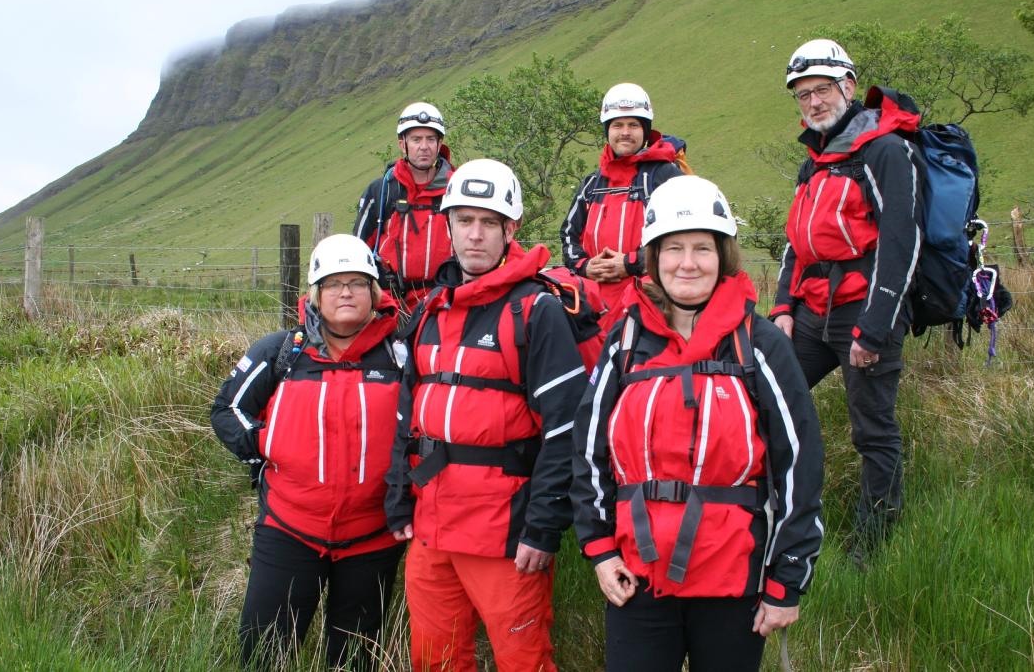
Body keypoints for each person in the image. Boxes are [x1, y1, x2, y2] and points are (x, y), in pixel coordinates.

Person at [571, 174, 824, 671]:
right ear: (653, 258)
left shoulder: (760, 343)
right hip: (636, 578)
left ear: (722, 256)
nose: (687, 263)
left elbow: (800, 463)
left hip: (735, 582)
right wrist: (600, 551)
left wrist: (786, 581)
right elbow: (588, 451)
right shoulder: (624, 341)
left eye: (702, 249)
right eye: (673, 249)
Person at [384, 158, 588, 671]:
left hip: (505, 535)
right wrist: (397, 498)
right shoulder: (433, 307)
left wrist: (542, 528)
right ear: (448, 225)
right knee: (434, 660)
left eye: (488, 222)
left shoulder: (536, 310)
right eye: (464, 221)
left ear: (510, 228)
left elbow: (566, 429)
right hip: (431, 526)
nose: (475, 235)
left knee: (523, 661)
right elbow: (406, 415)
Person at [211, 234, 406, 670]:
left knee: (355, 660)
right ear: (316, 293)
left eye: (357, 282)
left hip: (372, 538)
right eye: (334, 283)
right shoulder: (282, 351)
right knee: (265, 656)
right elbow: (227, 410)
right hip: (288, 531)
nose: (346, 293)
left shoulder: (399, 356)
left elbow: (419, 429)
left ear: (374, 293)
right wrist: (265, 444)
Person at [769, 39, 926, 564]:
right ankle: (772, 519)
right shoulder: (815, 160)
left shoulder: (885, 149)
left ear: (849, 87)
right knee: (768, 402)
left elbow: (901, 242)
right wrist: (782, 309)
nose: (812, 103)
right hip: (812, 312)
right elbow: (796, 243)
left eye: (821, 90)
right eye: (802, 95)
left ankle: (871, 548)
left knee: (872, 430)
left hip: (865, 312)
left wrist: (874, 329)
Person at [560, 82, 683, 318]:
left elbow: (682, 239)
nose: (625, 132)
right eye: (617, 125)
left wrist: (630, 263)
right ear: (607, 130)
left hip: (650, 302)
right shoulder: (592, 184)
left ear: (645, 131)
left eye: (633, 125)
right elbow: (568, 234)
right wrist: (584, 266)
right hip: (593, 304)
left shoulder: (665, 176)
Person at [354, 101, 456, 310]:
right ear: (403, 144)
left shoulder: (456, 189)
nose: (424, 146)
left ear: (440, 143)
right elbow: (358, 247)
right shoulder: (383, 190)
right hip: (390, 304)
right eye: (416, 139)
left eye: (430, 139)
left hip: (445, 301)